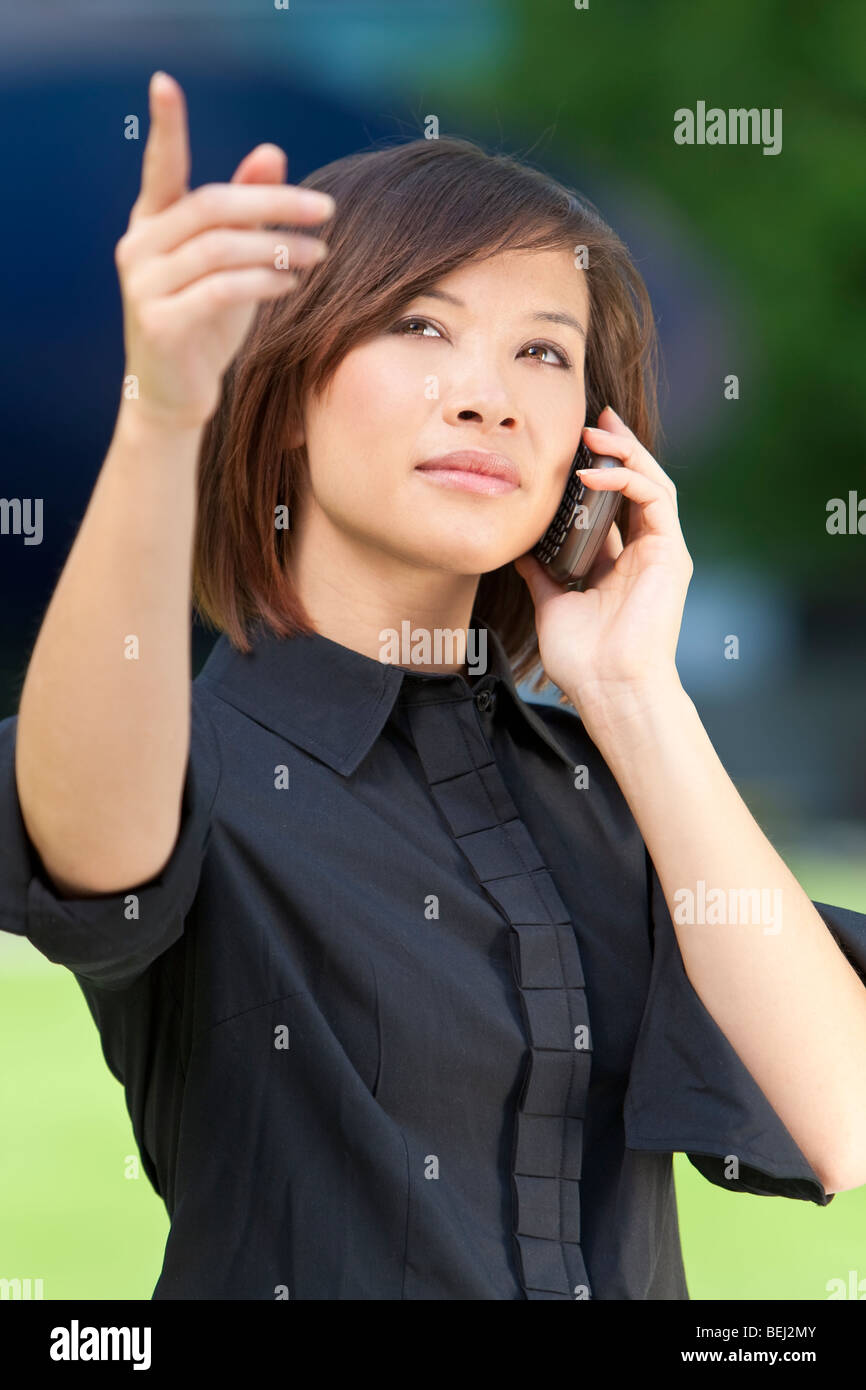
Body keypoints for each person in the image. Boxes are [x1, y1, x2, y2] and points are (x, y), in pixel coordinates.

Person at [2, 70, 865, 1301]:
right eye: (418, 326)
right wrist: (161, 412)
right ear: (286, 388)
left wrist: (631, 694)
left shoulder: (623, 802)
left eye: (542, 353)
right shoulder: (188, 759)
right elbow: (87, 841)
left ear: (592, 449)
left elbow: (841, 1115)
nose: (486, 395)